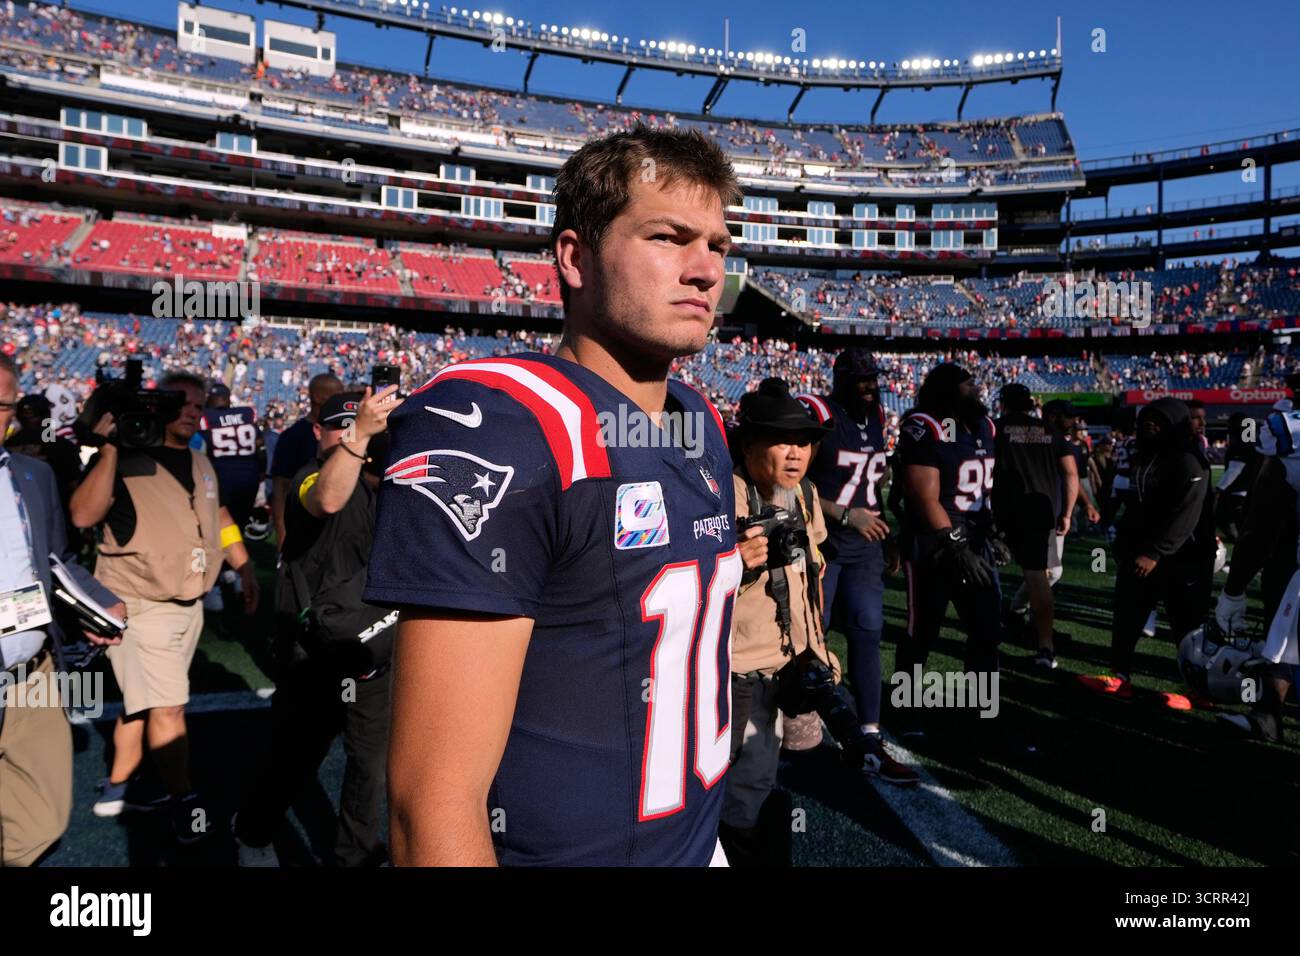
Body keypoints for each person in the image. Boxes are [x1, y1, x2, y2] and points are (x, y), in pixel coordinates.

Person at [366, 124, 743, 865]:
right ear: (574, 258)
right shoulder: (506, 426)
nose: (706, 271)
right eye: (669, 237)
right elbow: (432, 804)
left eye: (720, 246)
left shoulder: (698, 418)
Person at [68, 370, 260, 842]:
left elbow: (218, 514)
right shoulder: (126, 456)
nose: (195, 411)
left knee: (141, 706)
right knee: (170, 709)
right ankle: (184, 800)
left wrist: (244, 564)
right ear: (159, 406)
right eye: (185, 402)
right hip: (139, 605)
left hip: (187, 603)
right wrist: (111, 447)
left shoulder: (199, 460)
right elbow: (82, 515)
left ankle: (117, 787)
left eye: (200, 405)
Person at [233, 388, 400, 867]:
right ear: (318, 432)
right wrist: (357, 439)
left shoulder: (383, 482)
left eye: (360, 426)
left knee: (370, 767)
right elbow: (327, 499)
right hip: (313, 656)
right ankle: (252, 830)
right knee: (294, 760)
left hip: (369, 653)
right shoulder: (312, 477)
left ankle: (355, 858)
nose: (352, 435)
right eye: (341, 427)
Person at [0, 352, 125, 866]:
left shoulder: (32, 474)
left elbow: (55, 560)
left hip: (31, 670)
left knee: (41, 821)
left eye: (1, 403)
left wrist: (97, 605)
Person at [796, 349, 916, 783]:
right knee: (812, 634)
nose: (870, 386)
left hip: (864, 547)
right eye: (861, 379)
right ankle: (797, 722)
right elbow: (797, 481)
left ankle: (869, 731)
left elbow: (871, 485)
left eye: (873, 378)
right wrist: (846, 515)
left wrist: (884, 531)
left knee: (868, 629)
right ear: (841, 378)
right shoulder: (818, 411)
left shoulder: (878, 414)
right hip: (823, 541)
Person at [893, 364, 1008, 738]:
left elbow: (989, 490)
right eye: (967, 385)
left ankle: (982, 711)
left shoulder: (986, 428)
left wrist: (995, 533)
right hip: (934, 545)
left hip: (976, 541)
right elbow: (922, 496)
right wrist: (955, 544)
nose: (976, 389)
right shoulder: (924, 425)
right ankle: (906, 709)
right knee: (921, 632)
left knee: (987, 631)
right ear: (946, 391)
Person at [1078, 399, 1211, 705]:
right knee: (1126, 615)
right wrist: (1124, 540)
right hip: (1141, 554)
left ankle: (1200, 692)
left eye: (1159, 421)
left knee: (1187, 627)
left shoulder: (1190, 459)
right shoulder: (1148, 455)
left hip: (1180, 557)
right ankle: (1120, 676)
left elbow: (1186, 514)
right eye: (1147, 421)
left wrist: (1155, 552)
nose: (1150, 426)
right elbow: (1139, 504)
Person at [993, 383, 1078, 669]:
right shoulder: (1050, 432)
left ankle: (988, 638)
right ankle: (1045, 646)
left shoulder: (995, 428)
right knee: (1039, 579)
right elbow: (1070, 473)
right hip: (1039, 512)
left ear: (1003, 403)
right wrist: (1066, 512)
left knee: (985, 576)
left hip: (1001, 512)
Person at [270, 373, 342, 549]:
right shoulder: (293, 436)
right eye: (337, 395)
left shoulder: (345, 431)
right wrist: (282, 534)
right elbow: (280, 488)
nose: (341, 400)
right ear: (317, 397)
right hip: (303, 525)